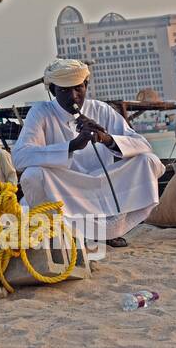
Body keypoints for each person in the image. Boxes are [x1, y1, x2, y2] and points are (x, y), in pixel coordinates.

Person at [11, 58, 163, 248]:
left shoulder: (100, 109)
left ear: (86, 85)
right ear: (53, 91)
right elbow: (20, 157)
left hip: (102, 186)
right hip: (65, 187)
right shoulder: (41, 112)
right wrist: (72, 146)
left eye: (78, 89)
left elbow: (142, 144)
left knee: (149, 161)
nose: (73, 96)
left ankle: (110, 230)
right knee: (32, 175)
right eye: (64, 91)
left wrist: (106, 139)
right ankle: (58, 231)